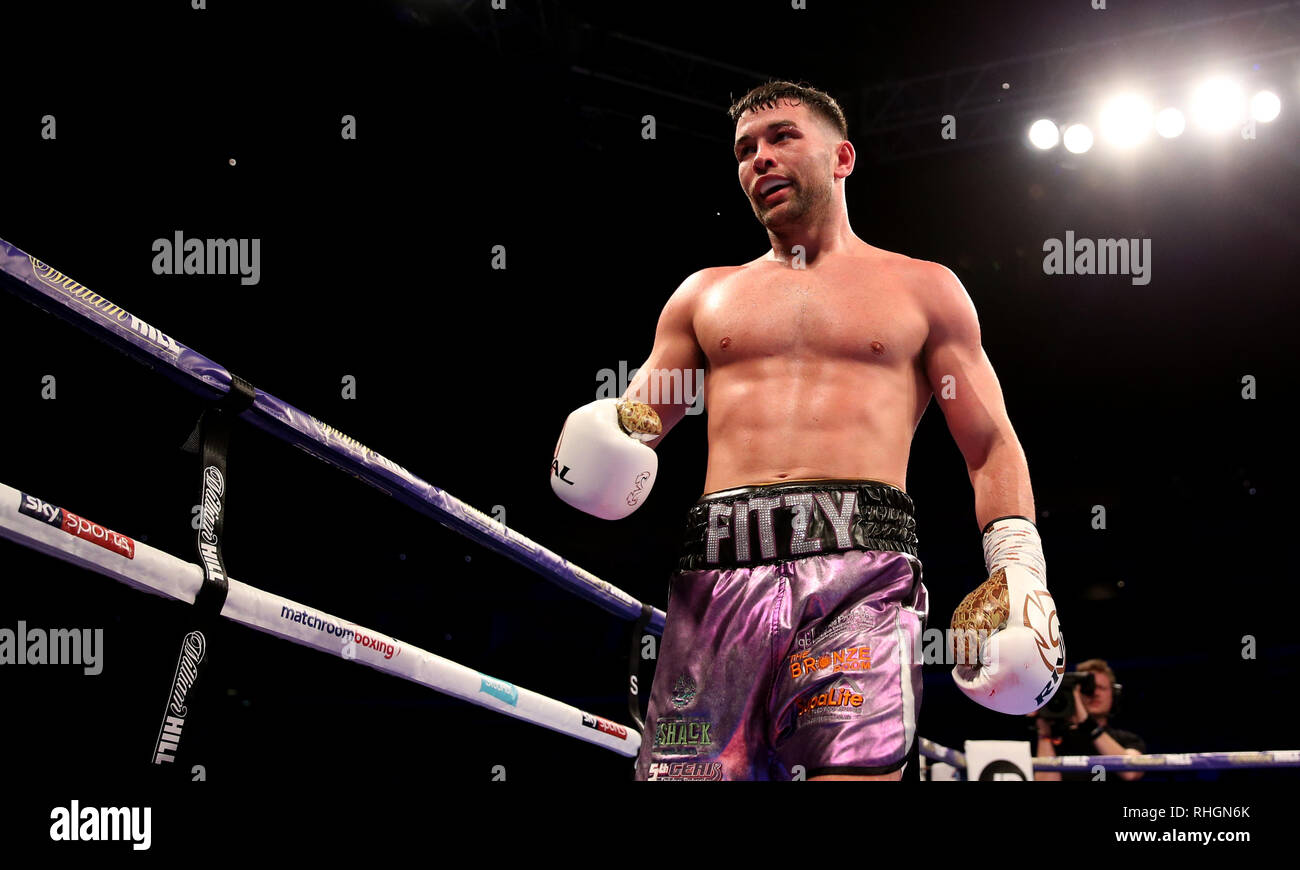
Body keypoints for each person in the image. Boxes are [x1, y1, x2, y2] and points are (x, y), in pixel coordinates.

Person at [551, 81, 1064, 781]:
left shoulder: (924, 289)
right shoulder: (705, 294)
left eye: (782, 137)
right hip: (718, 574)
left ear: (842, 156)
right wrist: (605, 428)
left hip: (862, 571)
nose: (758, 159)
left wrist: (1018, 569)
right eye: (744, 151)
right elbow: (640, 417)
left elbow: (991, 443)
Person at [1032, 659, 1145, 781]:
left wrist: (1087, 723)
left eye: (1101, 688)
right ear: (1075, 693)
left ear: (1114, 694)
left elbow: (1132, 772)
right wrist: (1044, 735)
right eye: (1088, 688)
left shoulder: (1126, 740)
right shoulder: (1054, 741)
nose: (1094, 693)